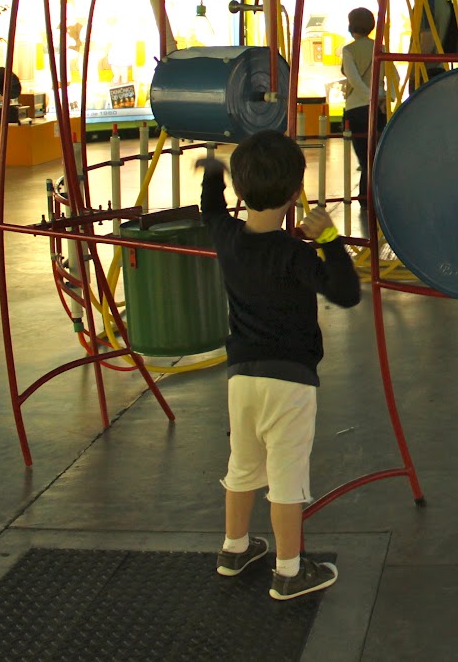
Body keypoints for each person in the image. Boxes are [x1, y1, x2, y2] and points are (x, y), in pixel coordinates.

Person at [197, 130, 361, 600]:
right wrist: (327, 237)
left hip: (241, 379)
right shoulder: (295, 255)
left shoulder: (227, 238)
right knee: (286, 477)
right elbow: (345, 293)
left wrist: (213, 172)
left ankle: (234, 548)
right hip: (289, 383)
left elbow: (210, 209)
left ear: (241, 194)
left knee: (243, 465)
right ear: (295, 195)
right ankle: (289, 571)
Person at [341, 7, 397, 206]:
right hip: (379, 108)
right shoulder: (380, 48)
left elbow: (354, 80)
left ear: (351, 26)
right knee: (376, 154)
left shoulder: (348, 50)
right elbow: (394, 77)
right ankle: (373, 196)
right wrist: (384, 97)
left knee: (364, 156)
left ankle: (366, 198)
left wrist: (370, 98)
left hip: (356, 108)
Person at [410, 0, 458, 82]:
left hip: (424, 73)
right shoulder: (443, 2)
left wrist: (412, 67)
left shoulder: (424, 2)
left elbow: (427, 40)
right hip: (440, 70)